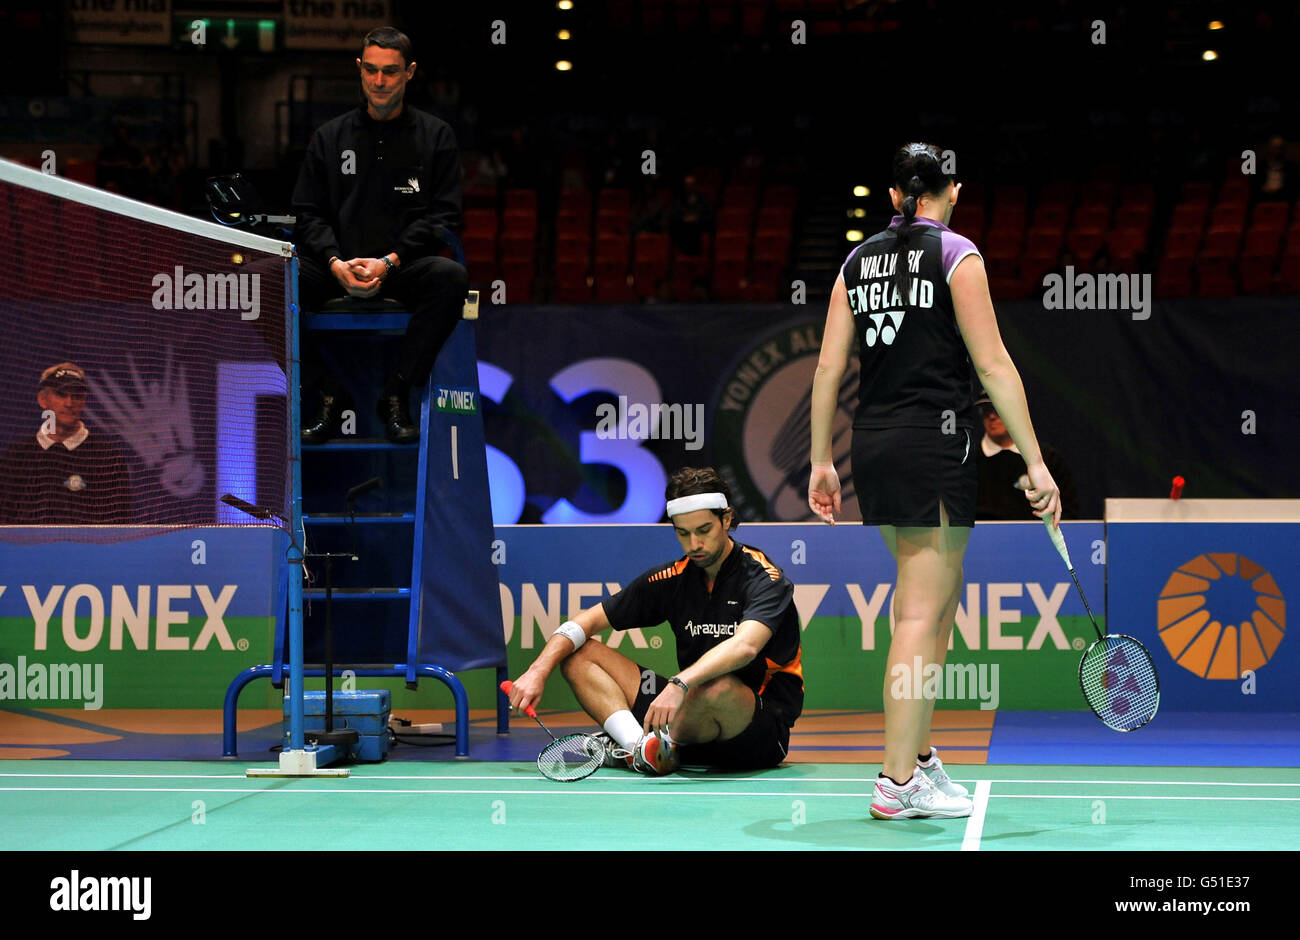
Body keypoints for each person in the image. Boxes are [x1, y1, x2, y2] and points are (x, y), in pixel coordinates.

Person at [807, 143, 1061, 820]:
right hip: (934, 444)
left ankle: (917, 756)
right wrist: (1035, 461)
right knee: (923, 614)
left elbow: (829, 371)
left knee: (930, 608)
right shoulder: (958, 254)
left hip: (876, 444)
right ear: (951, 190)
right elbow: (996, 365)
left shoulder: (854, 262)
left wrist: (820, 460)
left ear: (894, 196)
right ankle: (895, 783)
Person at [504, 467, 804, 775]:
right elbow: (585, 622)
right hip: (688, 713)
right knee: (577, 654)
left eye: (704, 530)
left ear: (726, 520)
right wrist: (538, 670)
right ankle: (642, 750)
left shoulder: (765, 579)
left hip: (755, 730)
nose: (694, 545)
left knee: (717, 687)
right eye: (683, 533)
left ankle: (655, 745)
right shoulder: (673, 578)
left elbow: (745, 646)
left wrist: (679, 683)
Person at [292, 26, 468, 443]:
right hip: (336, 265)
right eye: (370, 70)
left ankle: (397, 391)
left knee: (450, 278)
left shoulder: (435, 136)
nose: (379, 81)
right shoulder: (329, 137)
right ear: (359, 69)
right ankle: (325, 391)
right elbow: (306, 214)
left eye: (390, 71)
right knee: (266, 282)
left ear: (409, 72)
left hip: (400, 268)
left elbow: (446, 217)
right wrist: (335, 262)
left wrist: (390, 262)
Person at [0, 362, 132, 524]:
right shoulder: (17, 456)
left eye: (76, 396)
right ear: (43, 400)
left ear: (84, 401)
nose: (69, 403)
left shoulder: (107, 458)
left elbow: (119, 528)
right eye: (61, 394)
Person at [976, 393, 1079, 521]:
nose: (991, 416)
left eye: (997, 409)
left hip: (1039, 540)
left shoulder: (1048, 459)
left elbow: (1067, 513)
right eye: (986, 411)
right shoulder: (967, 460)